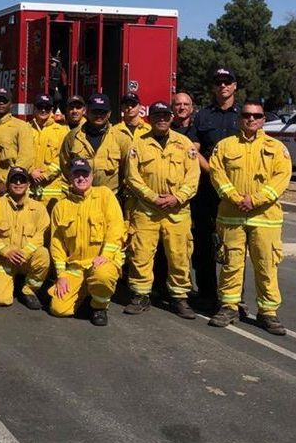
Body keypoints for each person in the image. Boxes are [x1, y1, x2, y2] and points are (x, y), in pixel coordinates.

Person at [208, 100, 289, 335]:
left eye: (256, 115)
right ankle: (229, 307)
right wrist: (234, 197)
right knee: (231, 264)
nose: (251, 119)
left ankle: (268, 312)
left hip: (265, 218)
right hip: (232, 216)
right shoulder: (224, 146)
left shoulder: (277, 148)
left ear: (263, 119)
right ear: (239, 118)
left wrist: (255, 200)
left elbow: (281, 178)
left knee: (266, 266)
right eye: (246, 115)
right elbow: (217, 174)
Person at [124, 101, 199, 318]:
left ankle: (179, 298)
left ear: (171, 118)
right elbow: (132, 177)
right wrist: (153, 197)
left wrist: (177, 197)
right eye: (157, 116)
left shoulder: (185, 144)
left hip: (177, 212)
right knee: (141, 254)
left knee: (179, 255)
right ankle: (140, 295)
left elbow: (193, 177)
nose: (162, 120)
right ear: (150, 119)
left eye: (166, 116)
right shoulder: (138, 144)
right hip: (147, 210)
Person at [48, 158, 125, 326]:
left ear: (91, 177)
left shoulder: (104, 195)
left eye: (85, 174)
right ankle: (86, 296)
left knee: (102, 276)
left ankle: (99, 307)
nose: (81, 178)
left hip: (101, 262)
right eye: (77, 174)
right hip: (76, 266)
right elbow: (57, 244)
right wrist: (61, 276)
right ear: (70, 177)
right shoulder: (61, 207)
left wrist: (106, 255)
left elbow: (116, 227)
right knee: (58, 309)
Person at [191, 67, 240, 308]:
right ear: (214, 87)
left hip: (235, 190)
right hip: (207, 188)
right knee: (203, 242)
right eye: (218, 82)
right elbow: (194, 149)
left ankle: (233, 297)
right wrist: (212, 171)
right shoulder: (202, 116)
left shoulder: (244, 115)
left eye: (227, 82)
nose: (223, 86)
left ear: (234, 86)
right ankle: (207, 293)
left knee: (234, 244)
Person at [0, 167, 50, 309]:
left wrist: (25, 253)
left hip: (25, 258)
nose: (19, 183)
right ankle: (7, 282)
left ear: (28, 184)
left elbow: (40, 237)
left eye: (22, 180)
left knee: (43, 254)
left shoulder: (38, 208)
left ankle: (28, 290)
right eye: (14, 180)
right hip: (3, 260)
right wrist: (5, 251)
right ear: (8, 184)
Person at [59, 93, 131, 194]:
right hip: (81, 198)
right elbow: (65, 167)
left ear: (109, 113)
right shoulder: (73, 136)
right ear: (87, 112)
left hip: (110, 200)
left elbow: (128, 171)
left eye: (102, 112)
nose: (98, 115)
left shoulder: (121, 138)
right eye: (95, 111)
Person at [0, 88, 34, 193]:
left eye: (4, 101)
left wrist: (9, 182)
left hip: (13, 188)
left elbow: (26, 158)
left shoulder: (21, 127)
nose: (1, 103)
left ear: (11, 104)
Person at [29, 94, 69, 210]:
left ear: (51, 110)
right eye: (40, 106)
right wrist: (30, 171)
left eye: (46, 108)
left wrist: (45, 175)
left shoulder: (62, 131)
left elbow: (62, 158)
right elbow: (22, 155)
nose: (43, 110)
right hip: (29, 189)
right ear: (34, 108)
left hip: (51, 191)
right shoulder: (26, 129)